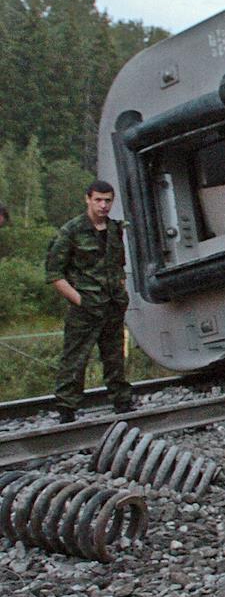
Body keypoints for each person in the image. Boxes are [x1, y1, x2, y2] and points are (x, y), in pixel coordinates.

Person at [44, 180, 132, 424]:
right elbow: (54, 274)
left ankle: (122, 401)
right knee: (75, 358)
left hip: (113, 304)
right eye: (98, 200)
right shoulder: (71, 231)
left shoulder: (115, 229)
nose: (103, 205)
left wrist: (121, 289)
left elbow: (119, 266)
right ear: (88, 199)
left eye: (108, 200)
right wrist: (79, 300)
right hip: (85, 308)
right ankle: (67, 409)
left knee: (114, 356)